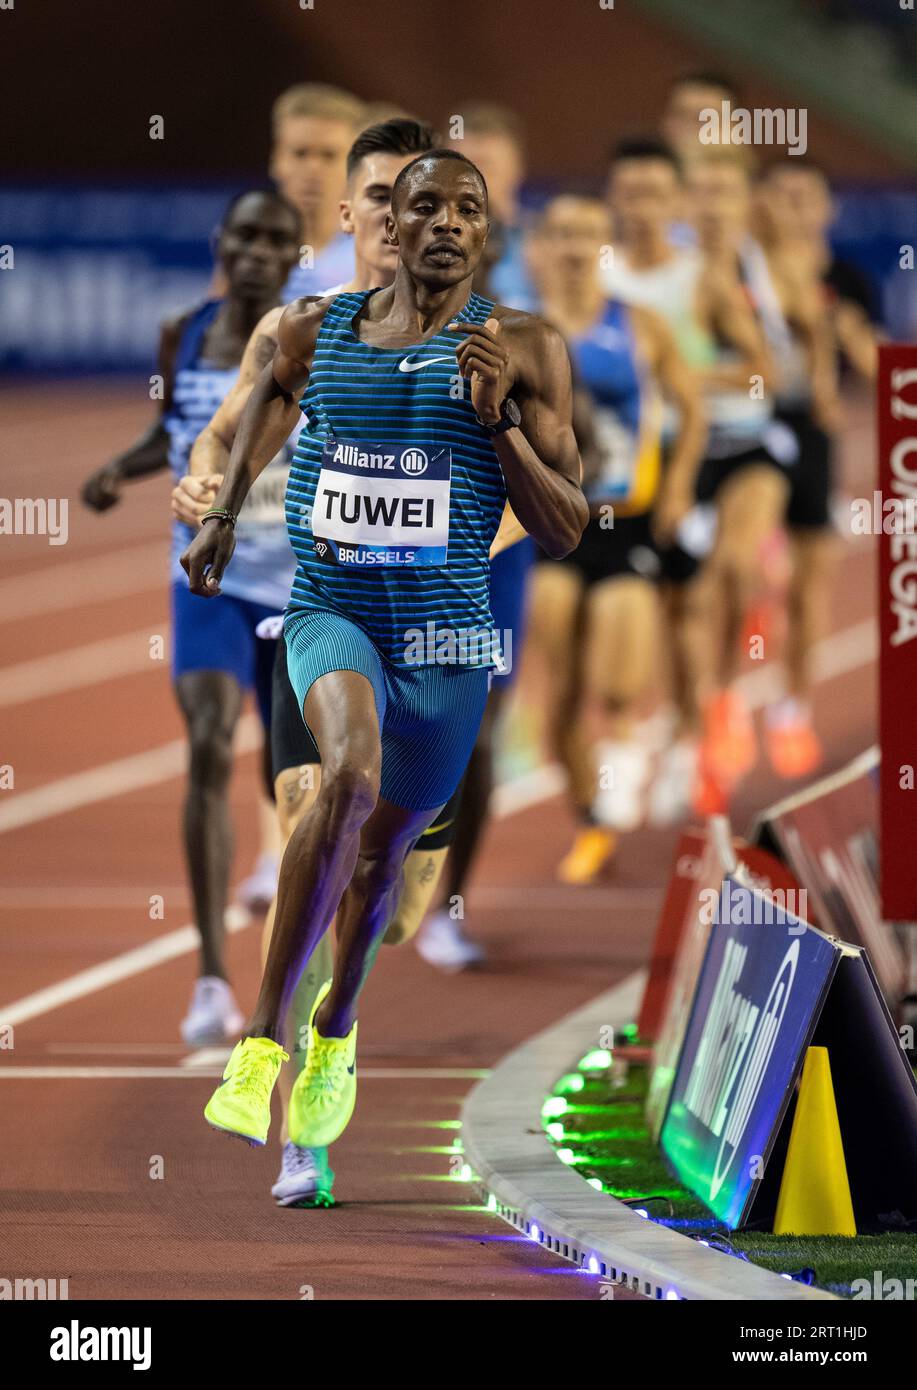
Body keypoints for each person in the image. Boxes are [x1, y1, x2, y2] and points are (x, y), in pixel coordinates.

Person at [183, 149, 586, 1154]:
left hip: (448, 644)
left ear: (485, 234)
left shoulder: (525, 347)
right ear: (388, 229)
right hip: (334, 610)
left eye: (468, 210)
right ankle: (263, 1040)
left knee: (377, 878)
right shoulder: (313, 331)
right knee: (346, 775)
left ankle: (334, 1028)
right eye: (425, 207)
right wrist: (225, 512)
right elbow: (267, 402)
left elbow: (568, 525)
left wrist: (498, 425)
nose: (447, 223)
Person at [81, 190, 302, 1044]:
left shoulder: (305, 335)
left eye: (272, 240)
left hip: (294, 582)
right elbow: (173, 431)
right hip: (206, 574)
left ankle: (281, 976)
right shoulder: (184, 330)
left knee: (287, 783)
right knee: (208, 740)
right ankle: (211, 973)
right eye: (241, 235)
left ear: (293, 255)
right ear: (222, 244)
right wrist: (118, 468)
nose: (253, 251)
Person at [604, 138, 785, 816]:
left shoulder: (702, 278)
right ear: (612, 198)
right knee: (636, 605)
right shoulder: (600, 275)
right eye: (630, 192)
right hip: (629, 462)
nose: (642, 207)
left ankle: (690, 732)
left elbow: (763, 366)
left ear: (672, 201)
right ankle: (636, 737)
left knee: (690, 601)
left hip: (709, 447)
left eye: (656, 193)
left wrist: (680, 376)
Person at [526, 195, 705, 882]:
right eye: (561, 234)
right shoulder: (519, 329)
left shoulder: (641, 326)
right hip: (552, 525)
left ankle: (627, 751)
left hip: (626, 522)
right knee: (563, 692)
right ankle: (589, 819)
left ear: (603, 246)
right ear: (541, 246)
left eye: (587, 235)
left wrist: (681, 485)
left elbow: (689, 411)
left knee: (617, 681)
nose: (573, 248)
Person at [754, 159, 881, 777]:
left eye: (805, 198)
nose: (792, 209)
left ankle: (791, 709)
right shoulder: (744, 273)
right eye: (780, 197)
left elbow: (883, 371)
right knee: (742, 562)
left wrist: (845, 330)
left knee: (810, 587)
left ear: (828, 210)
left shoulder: (847, 278)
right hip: (752, 430)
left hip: (814, 434)